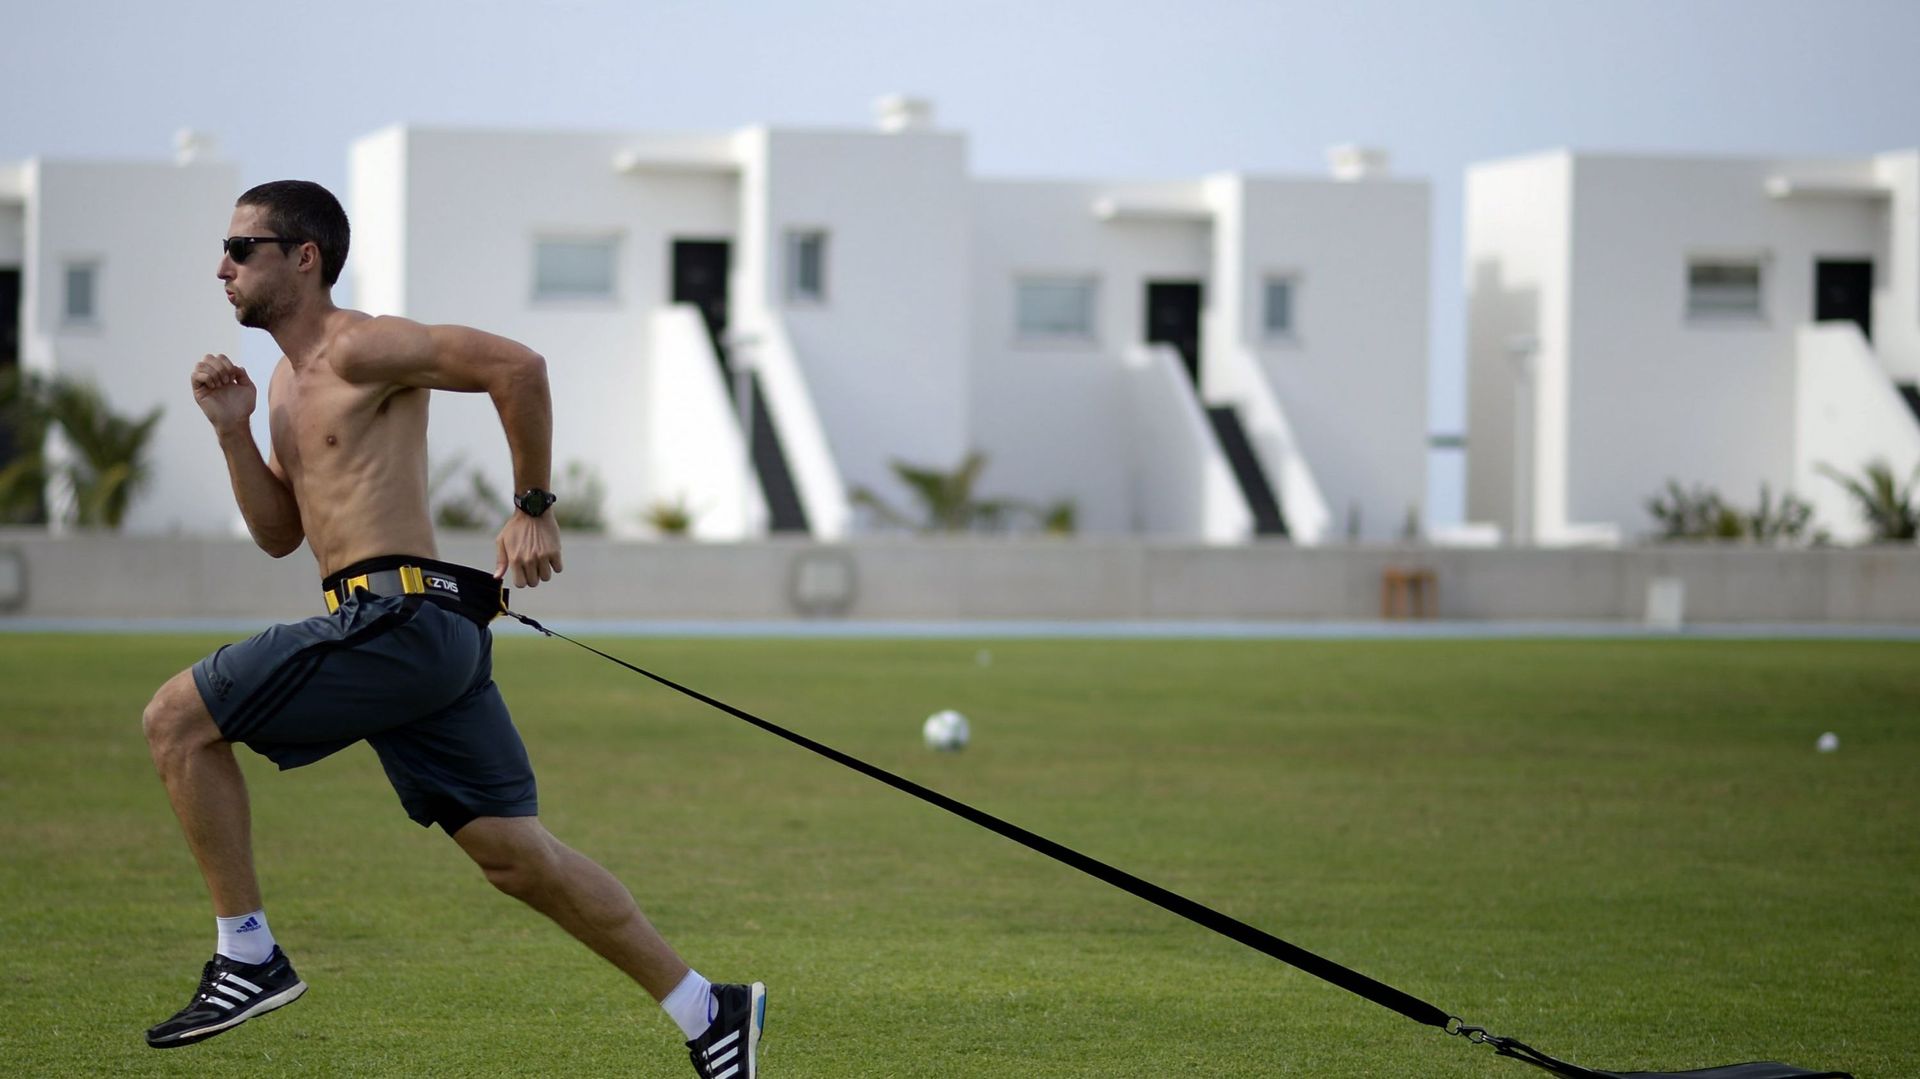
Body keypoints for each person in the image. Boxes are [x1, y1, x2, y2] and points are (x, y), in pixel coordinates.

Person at [140, 180, 765, 1078]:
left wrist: (534, 509)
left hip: (400, 617)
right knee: (517, 858)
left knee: (175, 720)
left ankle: (248, 955)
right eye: (226, 250)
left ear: (303, 256)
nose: (222, 267)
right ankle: (711, 1009)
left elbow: (519, 366)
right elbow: (283, 535)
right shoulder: (280, 383)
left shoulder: (365, 346)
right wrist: (234, 433)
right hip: (409, 636)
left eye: (243, 248)